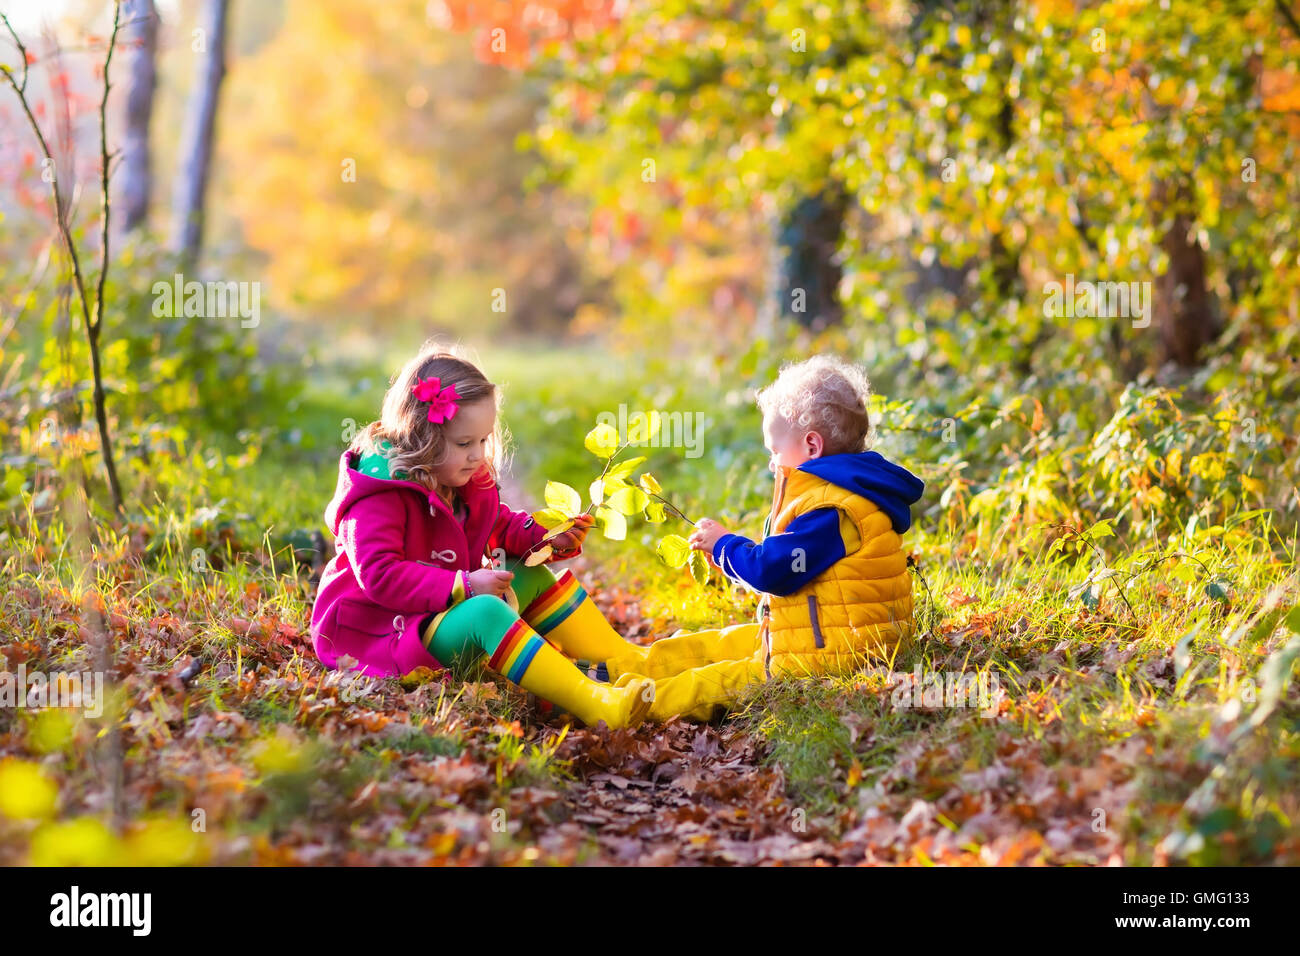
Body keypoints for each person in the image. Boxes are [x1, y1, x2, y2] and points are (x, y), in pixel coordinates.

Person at [309, 341, 654, 729]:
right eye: (464, 443)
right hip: (383, 633)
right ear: (421, 436)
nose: (477, 454)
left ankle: (622, 660)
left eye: (484, 440)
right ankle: (594, 701)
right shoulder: (380, 493)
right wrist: (464, 585)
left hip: (434, 614)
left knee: (530, 572)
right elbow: (380, 575)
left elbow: (497, 524)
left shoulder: (460, 477)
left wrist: (547, 538)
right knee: (486, 611)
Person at [601, 354, 926, 722]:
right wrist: (730, 561)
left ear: (811, 446)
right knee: (717, 644)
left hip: (829, 658)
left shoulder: (832, 511)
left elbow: (774, 571)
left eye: (774, 450)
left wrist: (726, 546)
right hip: (819, 638)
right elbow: (800, 577)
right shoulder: (845, 492)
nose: (772, 462)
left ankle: (622, 705)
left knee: (707, 682)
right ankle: (617, 669)